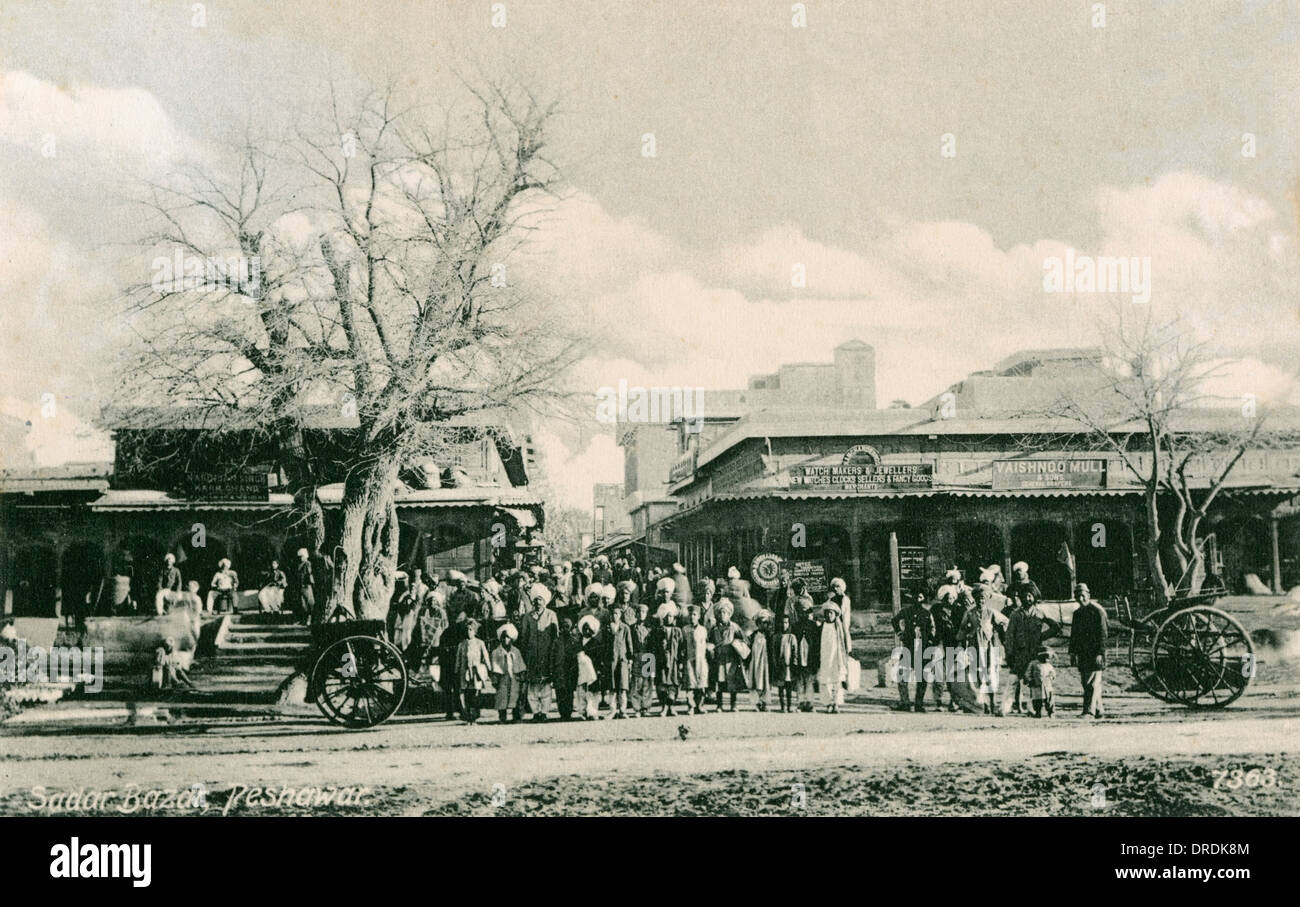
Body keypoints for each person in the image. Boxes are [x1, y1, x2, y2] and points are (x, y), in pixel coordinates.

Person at [1003, 591, 1062, 714]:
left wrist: (1041, 636)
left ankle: (1033, 708)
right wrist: (1009, 653)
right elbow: (1009, 635)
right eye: (1025, 596)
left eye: (1030, 595)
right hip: (1019, 653)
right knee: (1013, 680)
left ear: (1034, 597)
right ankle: (1004, 708)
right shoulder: (1015, 614)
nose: (1027, 598)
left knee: (1034, 682)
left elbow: (1055, 627)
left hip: (1035, 653)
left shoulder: (1040, 613)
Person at [961, 584, 1009, 714]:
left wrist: (998, 630)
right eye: (978, 599)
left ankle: (992, 702)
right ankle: (982, 703)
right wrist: (967, 635)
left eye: (982, 599)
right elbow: (962, 629)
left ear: (985, 599)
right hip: (974, 647)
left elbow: (1005, 621)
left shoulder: (991, 612)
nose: (980, 601)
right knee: (976, 675)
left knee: (990, 673)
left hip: (988, 647)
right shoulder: (970, 613)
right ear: (975, 600)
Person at [891, 593, 939, 712]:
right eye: (916, 597)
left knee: (922, 677)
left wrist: (930, 642)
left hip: (923, 648)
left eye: (920, 597)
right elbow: (894, 620)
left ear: (923, 599)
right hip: (909, 647)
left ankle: (919, 704)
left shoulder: (927, 613)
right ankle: (905, 702)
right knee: (902, 675)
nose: (918, 599)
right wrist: (900, 633)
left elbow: (933, 629)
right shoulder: (906, 611)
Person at [519, 582, 559, 721]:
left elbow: (556, 636)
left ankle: (545, 712)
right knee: (533, 686)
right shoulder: (527, 617)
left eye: (540, 600)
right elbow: (523, 638)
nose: (538, 603)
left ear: (545, 601)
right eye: (535, 600)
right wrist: (525, 655)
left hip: (547, 655)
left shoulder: (551, 615)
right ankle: (536, 712)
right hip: (532, 656)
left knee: (546, 685)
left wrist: (553, 654)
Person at [1068, 583, 1107, 718]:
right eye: (1078, 596)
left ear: (1088, 595)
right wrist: (1072, 652)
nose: (1080, 598)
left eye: (1083, 595)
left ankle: (1088, 711)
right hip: (1083, 653)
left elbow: (1102, 634)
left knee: (1092, 683)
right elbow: (1074, 635)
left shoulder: (1097, 612)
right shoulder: (1077, 614)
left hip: (1095, 653)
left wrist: (1100, 653)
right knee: (1087, 682)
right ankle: (1099, 709)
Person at [709, 599, 747, 712]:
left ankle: (733, 704)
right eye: (720, 612)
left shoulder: (734, 627)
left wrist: (738, 644)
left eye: (725, 612)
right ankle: (719, 705)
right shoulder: (714, 628)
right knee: (719, 681)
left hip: (731, 658)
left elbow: (744, 639)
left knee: (732, 682)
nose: (722, 615)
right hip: (719, 658)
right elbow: (710, 641)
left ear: (729, 614)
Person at [650, 602, 684, 716]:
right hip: (662, 661)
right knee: (662, 684)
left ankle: (672, 706)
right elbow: (653, 647)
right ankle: (664, 707)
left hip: (674, 661)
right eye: (666, 616)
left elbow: (681, 647)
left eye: (670, 616)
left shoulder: (678, 631)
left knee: (673, 684)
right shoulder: (657, 631)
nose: (668, 618)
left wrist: (680, 662)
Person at [455, 618, 491, 724]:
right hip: (464, 672)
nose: (468, 632)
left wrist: (489, 668)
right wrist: (456, 670)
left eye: (471, 629)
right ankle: (467, 716)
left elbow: (485, 656)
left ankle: (475, 716)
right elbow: (458, 659)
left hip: (476, 672)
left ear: (475, 631)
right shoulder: (462, 644)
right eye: (467, 629)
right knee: (465, 694)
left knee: (476, 693)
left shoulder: (480, 643)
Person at [817, 601, 850, 713]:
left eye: (831, 613)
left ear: (835, 614)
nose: (829, 615)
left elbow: (844, 641)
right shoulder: (821, 627)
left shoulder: (839, 627)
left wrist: (846, 652)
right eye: (827, 613)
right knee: (826, 681)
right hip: (825, 658)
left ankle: (836, 703)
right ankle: (828, 703)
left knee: (837, 681)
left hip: (837, 657)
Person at [491, 623, 527, 723]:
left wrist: (521, 675)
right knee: (502, 697)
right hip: (502, 677)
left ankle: (517, 716)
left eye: (507, 637)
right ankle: (502, 716)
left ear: (511, 639)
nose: (505, 640)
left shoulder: (516, 651)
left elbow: (521, 664)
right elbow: (494, 666)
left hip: (514, 676)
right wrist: (495, 678)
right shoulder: (496, 652)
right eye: (503, 637)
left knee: (515, 696)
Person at [604, 602, 635, 718]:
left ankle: (622, 710)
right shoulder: (607, 628)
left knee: (622, 687)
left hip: (622, 660)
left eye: (617, 613)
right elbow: (604, 646)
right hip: (611, 661)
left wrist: (630, 659)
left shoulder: (625, 628)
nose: (614, 616)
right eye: (613, 614)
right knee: (612, 688)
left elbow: (629, 644)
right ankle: (612, 710)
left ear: (620, 615)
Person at [794, 597, 821, 711]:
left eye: (805, 612)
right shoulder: (795, 626)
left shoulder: (814, 626)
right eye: (800, 612)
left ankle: (809, 703)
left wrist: (816, 658)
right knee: (800, 681)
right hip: (800, 656)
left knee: (809, 680)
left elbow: (817, 643)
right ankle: (801, 702)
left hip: (810, 656)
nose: (803, 615)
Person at [682, 605, 709, 714]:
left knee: (701, 683)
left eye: (694, 615)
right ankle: (691, 706)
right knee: (690, 684)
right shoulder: (685, 629)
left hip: (701, 660)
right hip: (689, 659)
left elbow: (706, 644)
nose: (692, 617)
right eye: (690, 614)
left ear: (698, 616)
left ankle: (700, 705)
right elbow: (683, 645)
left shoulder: (703, 629)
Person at [628, 604, 653, 717]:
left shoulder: (650, 627)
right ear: (636, 614)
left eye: (643, 612)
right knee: (637, 682)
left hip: (648, 656)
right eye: (639, 612)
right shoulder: (632, 628)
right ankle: (637, 707)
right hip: (637, 655)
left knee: (647, 682)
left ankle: (646, 707)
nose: (641, 614)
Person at [553, 616, 580, 720]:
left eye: (567, 627)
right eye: (563, 627)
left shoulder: (574, 641)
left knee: (569, 692)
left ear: (571, 628)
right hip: (559, 670)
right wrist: (552, 670)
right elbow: (552, 656)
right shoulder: (556, 641)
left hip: (570, 670)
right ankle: (562, 713)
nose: (565, 629)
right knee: (560, 692)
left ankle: (568, 713)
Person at [772, 611, 799, 712]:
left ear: (789, 624)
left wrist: (794, 663)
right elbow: (774, 652)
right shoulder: (776, 637)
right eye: (782, 623)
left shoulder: (792, 637)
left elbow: (795, 652)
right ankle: (782, 706)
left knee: (788, 686)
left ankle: (789, 706)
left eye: (786, 623)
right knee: (780, 687)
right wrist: (775, 663)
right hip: (780, 665)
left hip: (788, 665)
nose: (784, 625)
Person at [576, 614, 602, 720]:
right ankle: (582, 712)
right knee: (581, 692)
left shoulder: (596, 643)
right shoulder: (578, 642)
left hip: (593, 672)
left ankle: (592, 712)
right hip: (581, 671)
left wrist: (598, 669)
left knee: (592, 693)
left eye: (589, 629)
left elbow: (599, 658)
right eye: (585, 628)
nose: (587, 631)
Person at [749, 610, 773, 711]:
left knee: (765, 681)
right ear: (757, 623)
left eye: (765, 623)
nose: (763, 625)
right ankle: (756, 702)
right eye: (761, 623)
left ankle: (765, 702)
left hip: (766, 663)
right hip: (755, 662)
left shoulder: (769, 636)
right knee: (755, 681)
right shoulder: (753, 635)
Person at [1025, 648, 1056, 717]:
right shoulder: (1033, 664)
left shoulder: (1049, 665)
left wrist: (1051, 677)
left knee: (1049, 699)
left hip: (1047, 685)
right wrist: (1030, 680)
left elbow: (1053, 673)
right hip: (1036, 685)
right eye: (1044, 656)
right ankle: (1038, 712)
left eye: (1048, 657)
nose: (1046, 659)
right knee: (1037, 700)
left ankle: (1051, 712)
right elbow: (1028, 673)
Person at [294, 548, 315, 624]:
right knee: (302, 603)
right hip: (300, 585)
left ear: (305, 556)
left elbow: (309, 574)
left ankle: (309, 619)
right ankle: (303, 619)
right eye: (299, 557)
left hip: (306, 585)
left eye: (302, 556)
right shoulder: (299, 564)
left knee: (308, 602)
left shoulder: (307, 563)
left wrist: (310, 581)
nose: (300, 558)